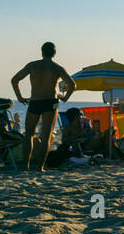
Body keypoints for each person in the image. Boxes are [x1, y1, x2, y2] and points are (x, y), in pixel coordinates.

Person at [10, 41, 76, 172]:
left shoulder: (32, 65)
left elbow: (14, 80)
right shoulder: (57, 68)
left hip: (35, 101)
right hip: (50, 101)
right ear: (54, 53)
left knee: (28, 134)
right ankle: (40, 167)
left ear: (41, 52)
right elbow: (72, 85)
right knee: (46, 135)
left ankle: (26, 165)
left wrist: (19, 97)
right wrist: (65, 98)